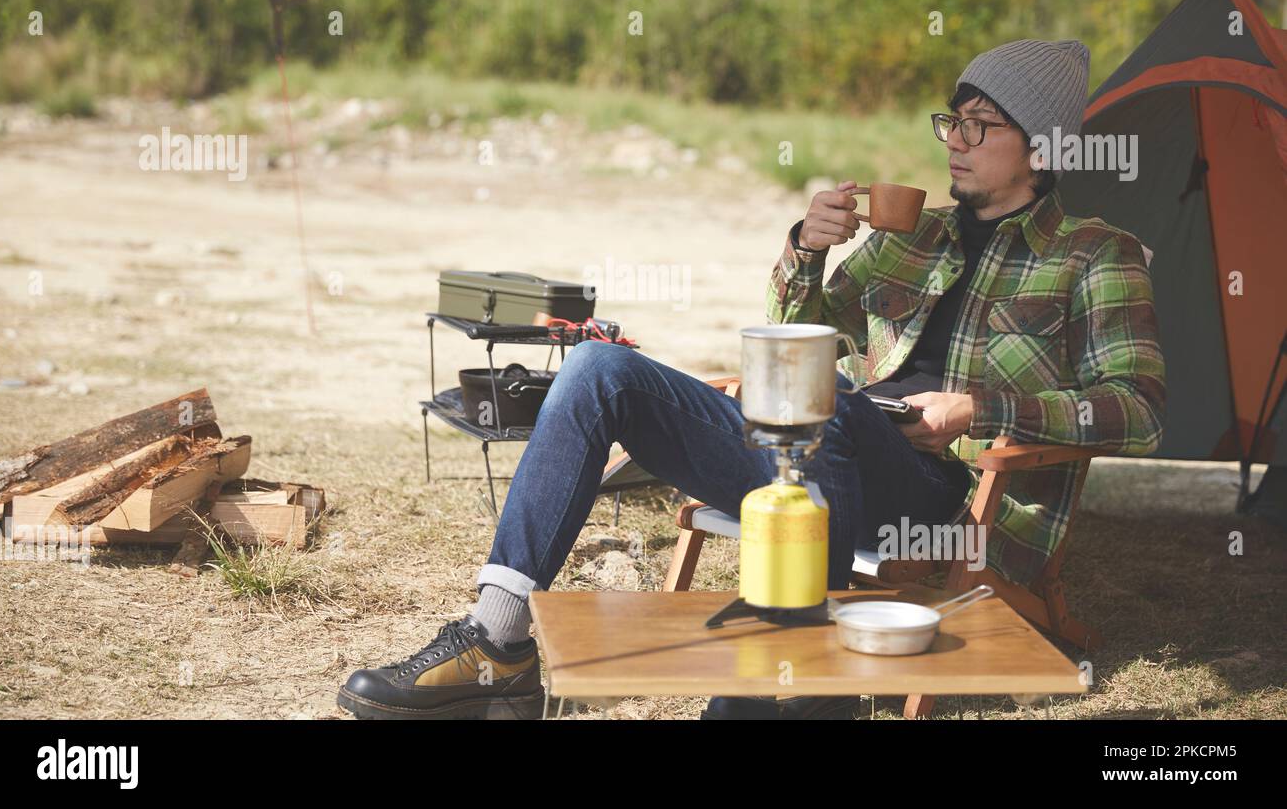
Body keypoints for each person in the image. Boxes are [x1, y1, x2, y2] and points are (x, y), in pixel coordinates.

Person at [336, 38, 1165, 720]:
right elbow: (799, 333)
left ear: (1044, 148)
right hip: (814, 448)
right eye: (953, 119)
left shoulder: (1095, 255)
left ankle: (795, 688)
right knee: (596, 367)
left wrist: (975, 407)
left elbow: (1140, 409)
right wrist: (807, 247)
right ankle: (499, 643)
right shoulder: (913, 236)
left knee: (831, 405)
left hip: (935, 494)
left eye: (981, 126)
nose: (955, 139)